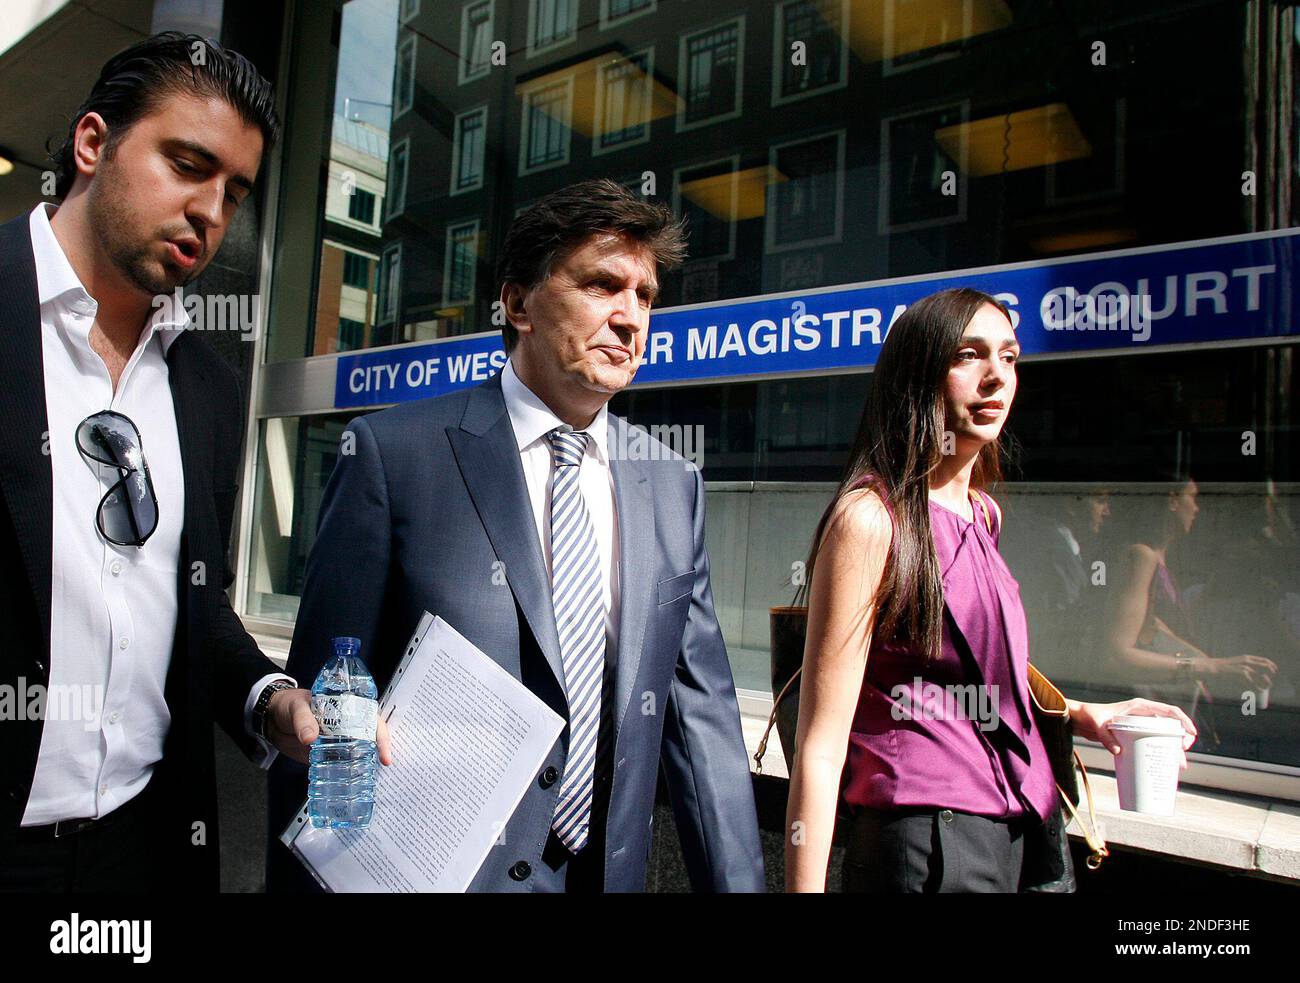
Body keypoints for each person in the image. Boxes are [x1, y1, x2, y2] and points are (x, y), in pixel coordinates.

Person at [267, 179, 764, 893]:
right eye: (602, 284)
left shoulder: (672, 486)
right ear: (518, 302)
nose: (630, 318)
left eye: (645, 295)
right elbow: (317, 722)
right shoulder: (392, 454)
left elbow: (703, 719)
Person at [0, 32, 381, 893]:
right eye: (186, 164)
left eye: (235, 191)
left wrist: (271, 698)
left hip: (147, 848)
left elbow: (191, 604)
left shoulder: (204, 383)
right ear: (93, 145)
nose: (211, 212)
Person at [783, 287, 1197, 893]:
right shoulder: (872, 519)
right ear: (918, 375)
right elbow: (820, 745)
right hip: (929, 838)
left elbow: (978, 666)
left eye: (1009, 357)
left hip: (1027, 826)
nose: (995, 378)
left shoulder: (981, 513)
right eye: (969, 355)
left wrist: (1083, 714)